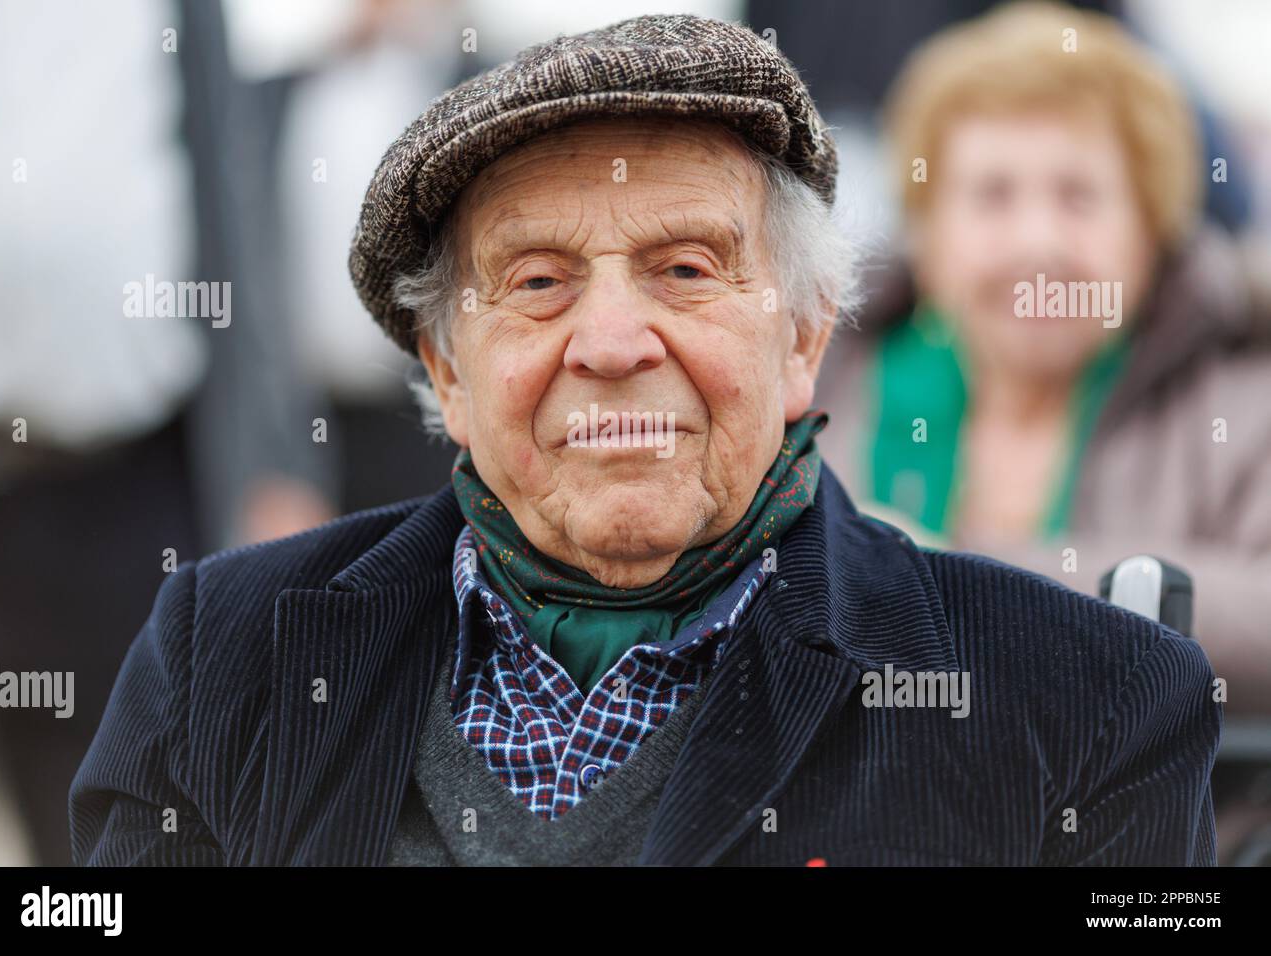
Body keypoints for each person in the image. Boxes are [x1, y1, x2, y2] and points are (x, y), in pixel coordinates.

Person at [70, 13, 1220, 866]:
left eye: (685, 267)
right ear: (447, 371)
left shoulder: (1088, 700)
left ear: (806, 336)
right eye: (536, 280)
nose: (612, 340)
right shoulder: (222, 656)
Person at [813, 1, 1271, 717]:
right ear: (927, 241)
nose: (1037, 243)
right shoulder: (826, 382)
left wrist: (948, 575)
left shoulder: (1242, 408)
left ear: (1151, 235)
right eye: (993, 196)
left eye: (1078, 197)